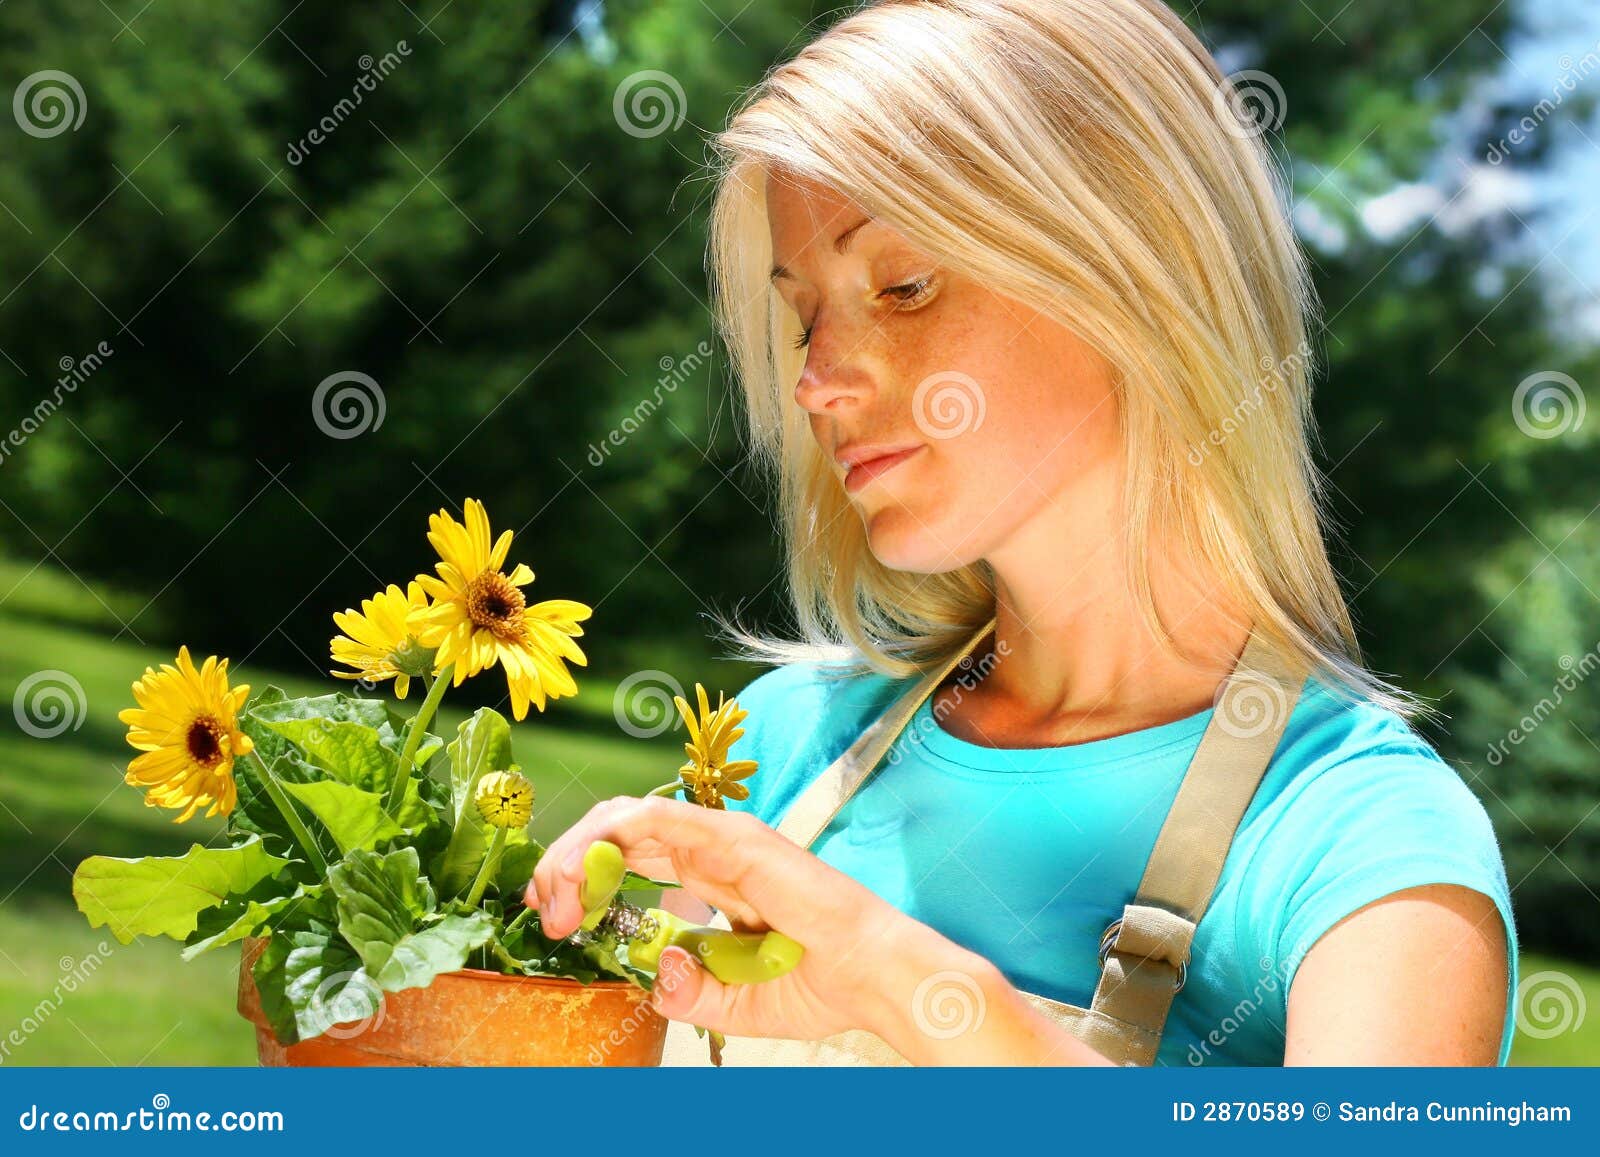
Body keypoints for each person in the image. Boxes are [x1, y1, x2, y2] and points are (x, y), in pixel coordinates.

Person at [528, 0, 1516, 1065]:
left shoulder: (1364, 845)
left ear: (1138, 274)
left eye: (902, 286)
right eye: (804, 314)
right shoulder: (775, 744)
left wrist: (908, 981)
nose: (813, 383)